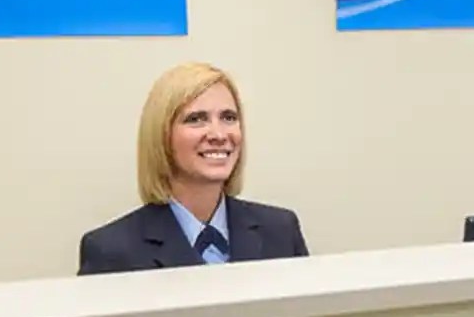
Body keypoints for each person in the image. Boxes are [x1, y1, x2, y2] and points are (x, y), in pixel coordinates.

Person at [78, 62, 309, 275]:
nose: (219, 135)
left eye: (228, 117)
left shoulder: (281, 232)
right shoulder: (109, 252)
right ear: (162, 135)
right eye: (196, 119)